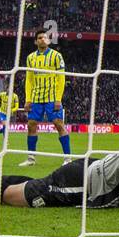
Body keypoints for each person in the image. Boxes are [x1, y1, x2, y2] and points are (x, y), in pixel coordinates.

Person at [22, 29, 69, 166]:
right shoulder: (30, 58)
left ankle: (67, 158)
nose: (42, 39)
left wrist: (58, 98)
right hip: (36, 98)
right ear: (36, 41)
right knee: (31, 125)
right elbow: (29, 80)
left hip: (52, 97)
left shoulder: (56, 56)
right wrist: (28, 99)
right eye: (40, 38)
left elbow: (61, 78)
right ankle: (31, 158)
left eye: (45, 37)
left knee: (58, 124)